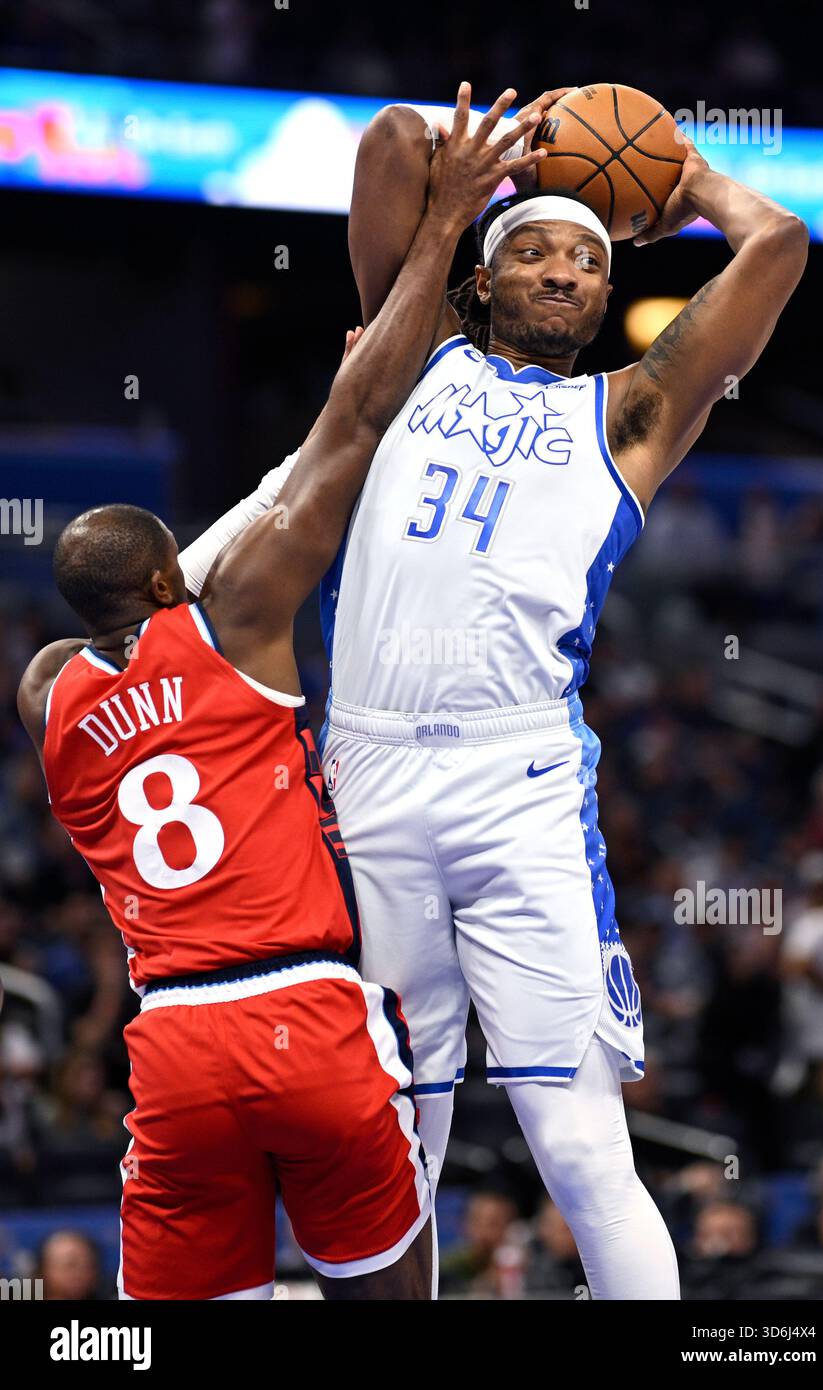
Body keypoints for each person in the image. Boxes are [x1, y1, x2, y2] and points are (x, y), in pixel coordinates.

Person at [176, 86, 808, 1300]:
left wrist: (674, 184)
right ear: (478, 274)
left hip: (518, 788)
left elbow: (774, 245)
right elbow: (390, 146)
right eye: (533, 249)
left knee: (577, 1142)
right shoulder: (404, 354)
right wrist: (492, 173)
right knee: (386, 1142)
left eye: (585, 256)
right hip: (362, 779)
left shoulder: (626, 411)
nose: (563, 269)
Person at [17, 84, 542, 1302]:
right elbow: (357, 424)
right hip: (300, 1009)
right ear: (172, 578)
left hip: (173, 1047)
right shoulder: (236, 627)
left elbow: (101, 629)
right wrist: (447, 215)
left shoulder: (47, 703)